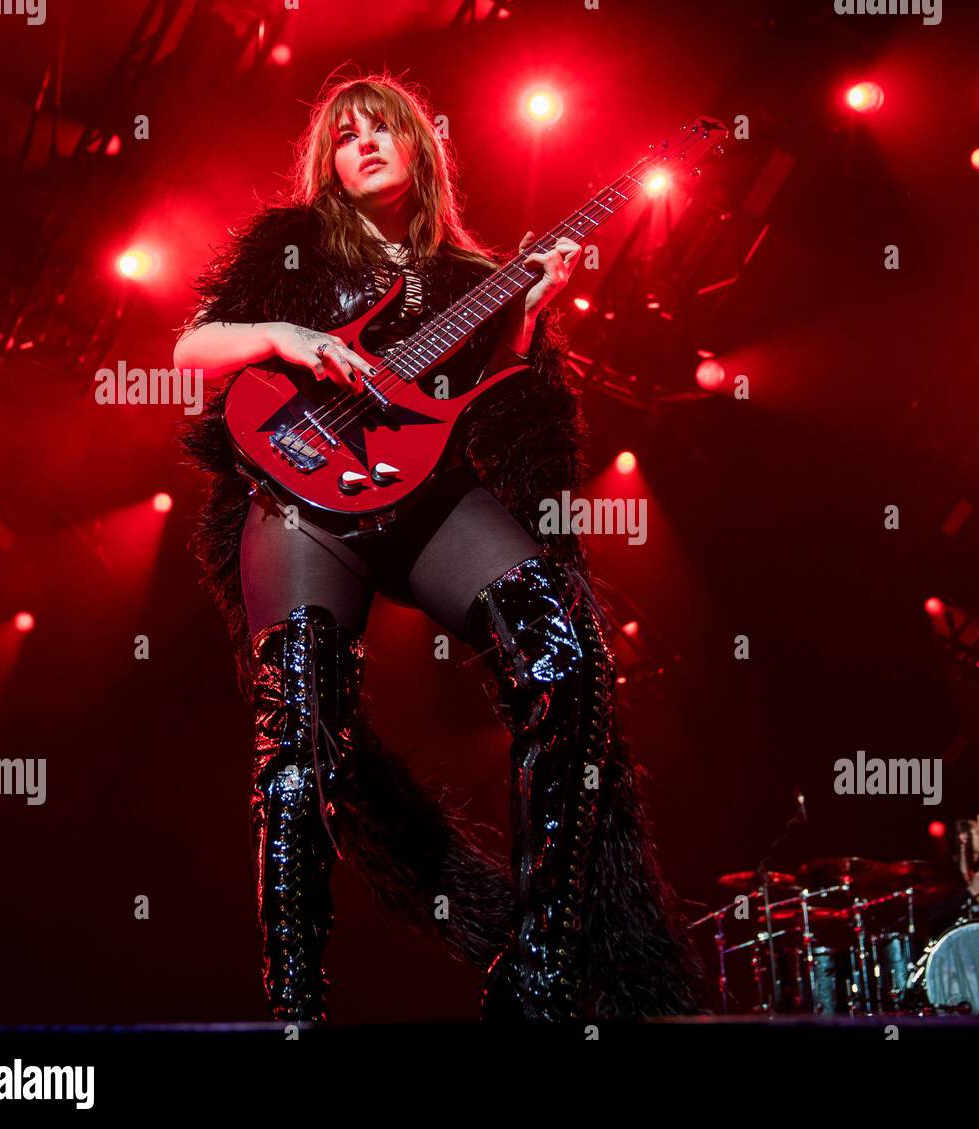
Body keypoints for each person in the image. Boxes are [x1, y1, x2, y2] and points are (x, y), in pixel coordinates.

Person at [173, 71, 703, 1023]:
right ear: (328, 162)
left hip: (425, 494)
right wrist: (290, 337)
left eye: (384, 129)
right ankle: (295, 1006)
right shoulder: (293, 243)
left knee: (564, 653)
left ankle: (541, 965)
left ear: (422, 146)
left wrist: (533, 311)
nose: (365, 144)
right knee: (296, 744)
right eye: (346, 135)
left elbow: (498, 395)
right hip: (301, 492)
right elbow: (191, 350)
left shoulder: (473, 274)